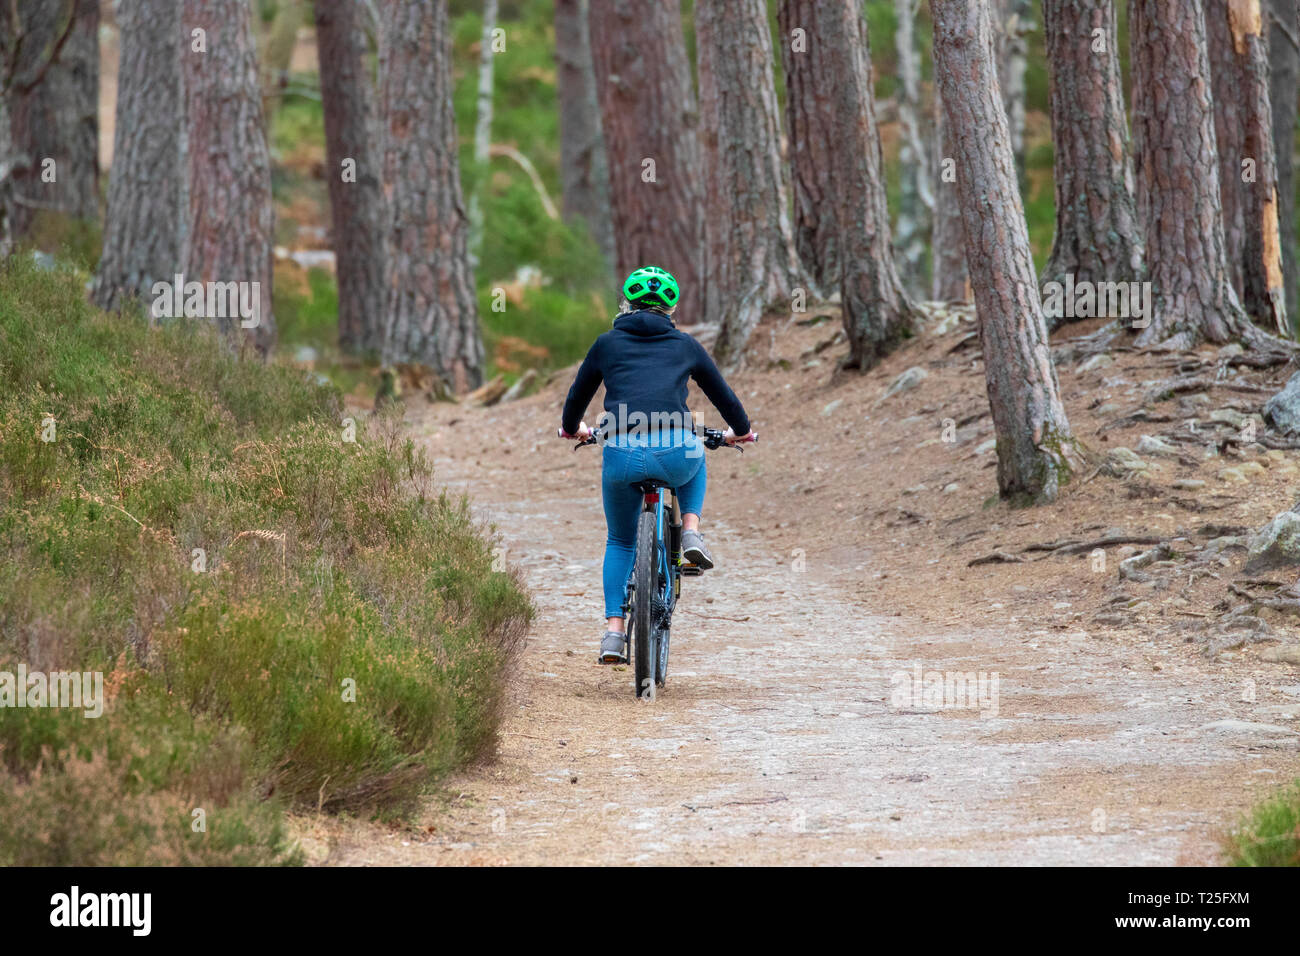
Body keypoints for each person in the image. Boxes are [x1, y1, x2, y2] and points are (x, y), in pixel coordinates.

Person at [558, 265, 756, 663]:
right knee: (695, 456)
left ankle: (614, 633)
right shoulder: (686, 345)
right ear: (672, 308)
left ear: (626, 303)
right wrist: (741, 431)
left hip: (622, 453)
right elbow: (724, 397)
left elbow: (577, 397)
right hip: (675, 450)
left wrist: (572, 429)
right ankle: (691, 533)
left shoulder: (607, 343)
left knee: (620, 540)